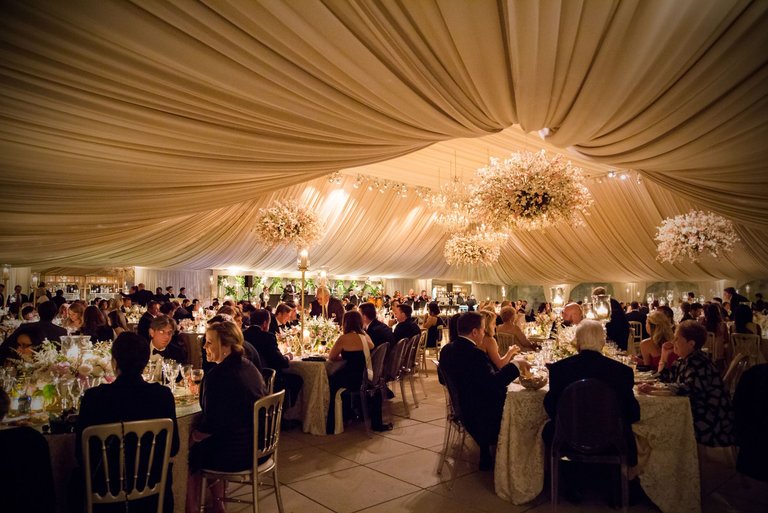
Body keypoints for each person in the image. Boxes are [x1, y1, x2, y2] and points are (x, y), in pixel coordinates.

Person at [76, 332, 180, 513]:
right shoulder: (162, 396)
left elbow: (80, 454)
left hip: (105, 491)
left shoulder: (94, 398)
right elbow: (173, 447)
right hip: (151, 489)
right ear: (146, 362)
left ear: (114, 362)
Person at [187, 321, 266, 513]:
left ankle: (192, 507)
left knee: (189, 450)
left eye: (209, 342)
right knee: (212, 440)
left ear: (226, 345)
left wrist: (193, 436)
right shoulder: (249, 367)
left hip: (236, 455)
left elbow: (211, 424)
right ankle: (218, 503)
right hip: (259, 446)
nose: (205, 347)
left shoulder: (218, 376)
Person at [439, 312, 527, 470]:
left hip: (460, 408)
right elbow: (494, 384)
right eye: (482, 330)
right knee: (523, 409)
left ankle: (487, 453)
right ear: (474, 332)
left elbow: (443, 379)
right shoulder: (475, 355)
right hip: (480, 415)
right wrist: (516, 365)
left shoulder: (446, 350)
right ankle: (519, 462)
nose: (483, 333)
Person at [544, 320, 640, 464]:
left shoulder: (559, 369)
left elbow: (551, 408)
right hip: (612, 441)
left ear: (576, 342)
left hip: (568, 439)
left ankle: (557, 477)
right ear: (603, 342)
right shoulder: (622, 372)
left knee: (548, 429)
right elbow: (633, 414)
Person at [650, 321, 735, 447]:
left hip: (710, 422)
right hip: (696, 414)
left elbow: (690, 389)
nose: (673, 342)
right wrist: (663, 357)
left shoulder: (699, 363)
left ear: (691, 344)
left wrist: (657, 388)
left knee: (658, 425)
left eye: (677, 339)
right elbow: (664, 378)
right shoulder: (683, 360)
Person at [325, 311, 390, 433]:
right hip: (368, 376)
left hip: (354, 378)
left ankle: (334, 421)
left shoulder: (344, 338)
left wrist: (345, 357)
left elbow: (331, 357)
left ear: (346, 323)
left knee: (329, 381)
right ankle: (350, 412)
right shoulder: (366, 336)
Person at [243, 309, 303, 407]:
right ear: (265, 323)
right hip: (267, 377)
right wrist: (288, 356)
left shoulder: (242, 335)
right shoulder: (267, 337)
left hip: (248, 376)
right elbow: (279, 361)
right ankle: (285, 412)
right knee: (297, 380)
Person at [702, 302, 730, 367]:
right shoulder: (722, 325)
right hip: (718, 353)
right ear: (718, 312)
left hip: (706, 350)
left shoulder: (703, 324)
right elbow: (726, 339)